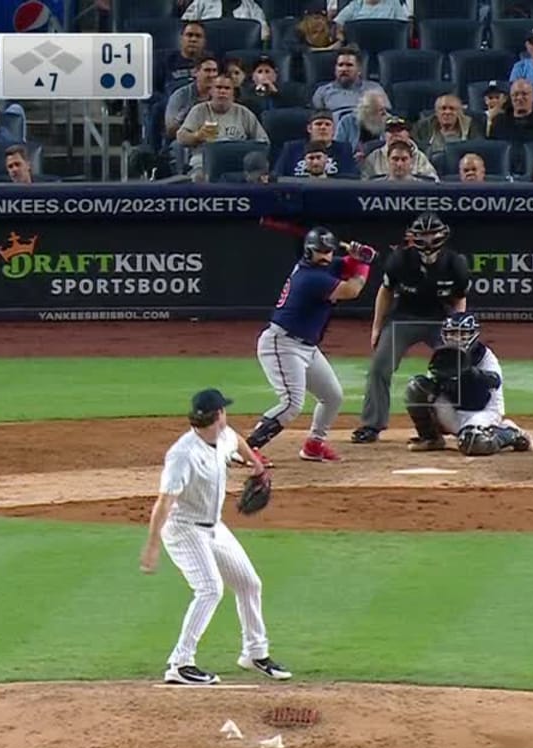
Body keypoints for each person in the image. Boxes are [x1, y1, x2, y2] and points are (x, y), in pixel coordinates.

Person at [141, 388, 291, 686]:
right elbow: (165, 502)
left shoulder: (223, 435)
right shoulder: (183, 454)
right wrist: (152, 546)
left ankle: (255, 653)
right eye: (224, 410)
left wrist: (257, 465)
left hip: (213, 526)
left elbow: (238, 441)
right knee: (210, 589)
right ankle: (180, 663)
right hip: (184, 529)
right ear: (217, 415)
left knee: (249, 583)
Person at [245, 227, 375, 465]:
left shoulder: (320, 268)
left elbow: (342, 265)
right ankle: (247, 448)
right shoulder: (311, 278)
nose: (325, 257)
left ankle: (314, 445)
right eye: (320, 252)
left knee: (332, 396)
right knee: (292, 404)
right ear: (309, 252)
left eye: (328, 251)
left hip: (307, 347)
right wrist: (364, 264)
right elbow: (352, 290)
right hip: (282, 344)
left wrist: (355, 257)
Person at [351, 212, 469, 445]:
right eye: (421, 235)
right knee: (379, 367)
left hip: (440, 320)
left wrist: (458, 329)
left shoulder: (456, 263)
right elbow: (384, 292)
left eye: (431, 234)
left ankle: (462, 422)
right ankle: (371, 425)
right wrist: (377, 327)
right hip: (403, 318)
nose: (426, 240)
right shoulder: (399, 259)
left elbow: (459, 300)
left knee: (457, 367)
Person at [404, 314, 533, 455]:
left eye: (462, 334)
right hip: (453, 410)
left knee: (473, 443)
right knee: (416, 387)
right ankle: (431, 438)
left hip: (482, 412)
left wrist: (469, 372)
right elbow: (431, 386)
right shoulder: (444, 356)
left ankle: (510, 432)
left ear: (473, 334)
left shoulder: (485, 356)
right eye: (453, 333)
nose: (457, 338)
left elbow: (494, 381)